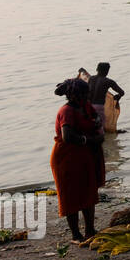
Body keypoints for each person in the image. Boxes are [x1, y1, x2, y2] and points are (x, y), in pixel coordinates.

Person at [49, 77, 105, 241]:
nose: (88, 96)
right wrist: (89, 140)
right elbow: (68, 136)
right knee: (71, 196)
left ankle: (90, 230)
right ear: (74, 95)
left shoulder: (85, 106)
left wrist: (97, 123)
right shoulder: (66, 111)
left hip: (85, 156)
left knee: (89, 192)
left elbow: (95, 118)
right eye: (85, 94)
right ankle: (76, 234)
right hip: (67, 158)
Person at [86, 62, 125, 133]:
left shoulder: (91, 79)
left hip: (88, 107)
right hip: (98, 107)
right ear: (107, 71)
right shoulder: (108, 81)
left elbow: (87, 92)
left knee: (90, 127)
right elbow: (122, 92)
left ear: (97, 69)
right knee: (100, 130)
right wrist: (118, 96)